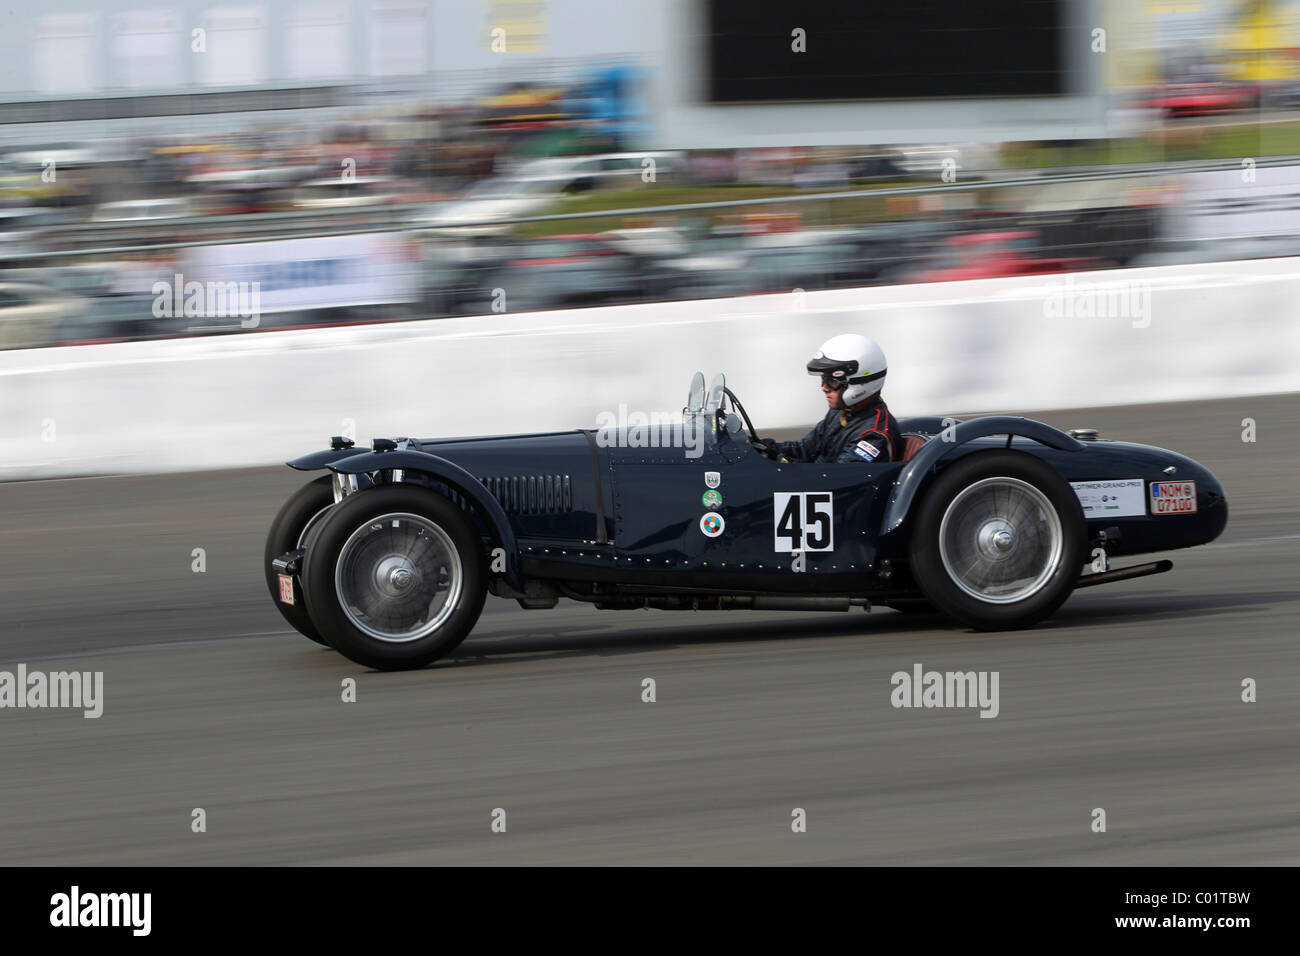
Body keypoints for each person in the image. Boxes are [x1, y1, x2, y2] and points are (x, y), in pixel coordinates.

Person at [758, 334, 902, 464]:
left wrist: (783, 464)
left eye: (832, 381)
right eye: (823, 379)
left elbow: (839, 478)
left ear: (859, 381)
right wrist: (763, 447)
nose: (824, 387)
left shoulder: (873, 435)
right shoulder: (842, 413)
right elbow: (805, 449)